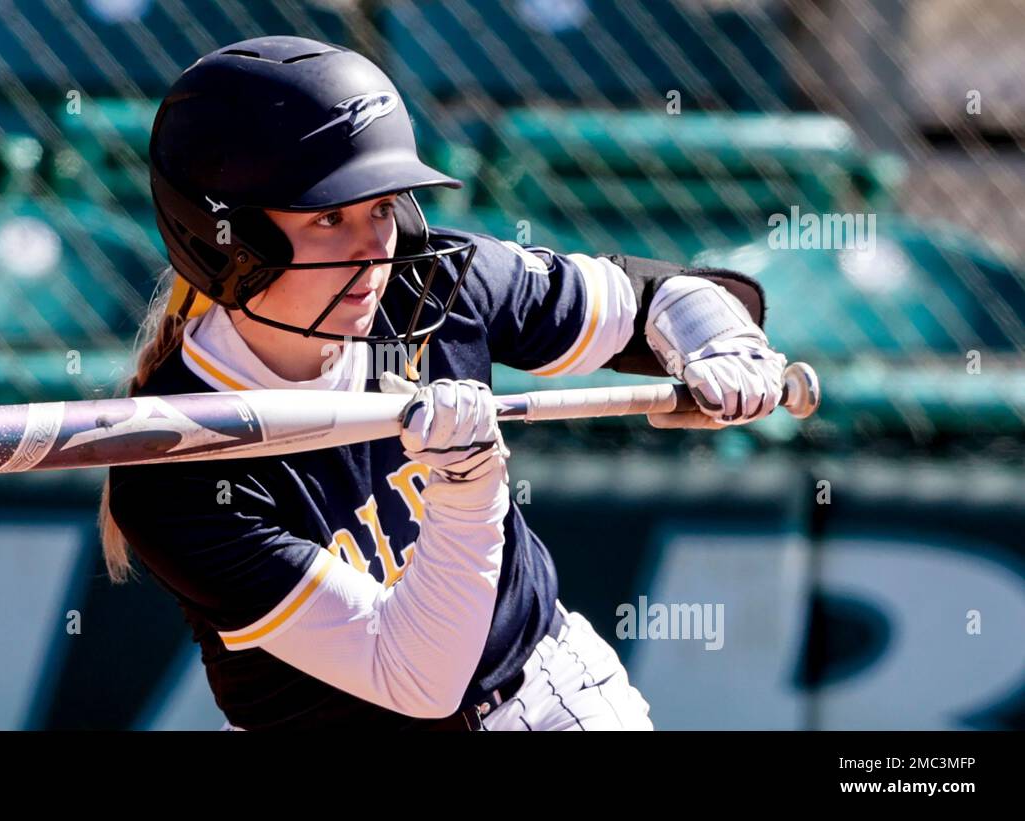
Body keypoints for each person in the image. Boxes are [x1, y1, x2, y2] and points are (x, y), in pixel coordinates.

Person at [99, 35, 786, 730]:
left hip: (544, 694)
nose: (374, 250)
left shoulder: (428, 285)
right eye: (330, 217)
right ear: (227, 242)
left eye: (381, 207)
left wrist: (718, 338)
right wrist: (468, 484)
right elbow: (415, 679)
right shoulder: (171, 475)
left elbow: (652, 297)